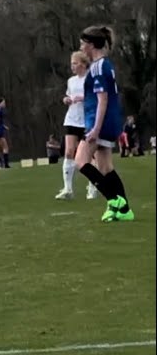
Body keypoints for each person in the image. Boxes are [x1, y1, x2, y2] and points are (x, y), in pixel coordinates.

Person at [74, 25, 133, 222]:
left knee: (81, 161)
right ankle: (125, 211)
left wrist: (95, 129)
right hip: (108, 122)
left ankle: (114, 200)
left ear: (91, 45)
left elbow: (103, 99)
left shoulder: (98, 67)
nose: (81, 47)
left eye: (83, 43)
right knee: (106, 167)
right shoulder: (104, 65)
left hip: (99, 123)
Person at [56, 51, 99, 200]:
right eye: (71, 63)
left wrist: (84, 97)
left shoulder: (91, 78)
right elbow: (68, 95)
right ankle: (68, 189)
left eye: (74, 63)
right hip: (72, 118)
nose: (72, 66)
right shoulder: (71, 81)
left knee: (87, 155)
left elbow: (98, 97)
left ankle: (93, 186)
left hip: (87, 119)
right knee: (69, 151)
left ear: (83, 63)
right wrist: (66, 99)